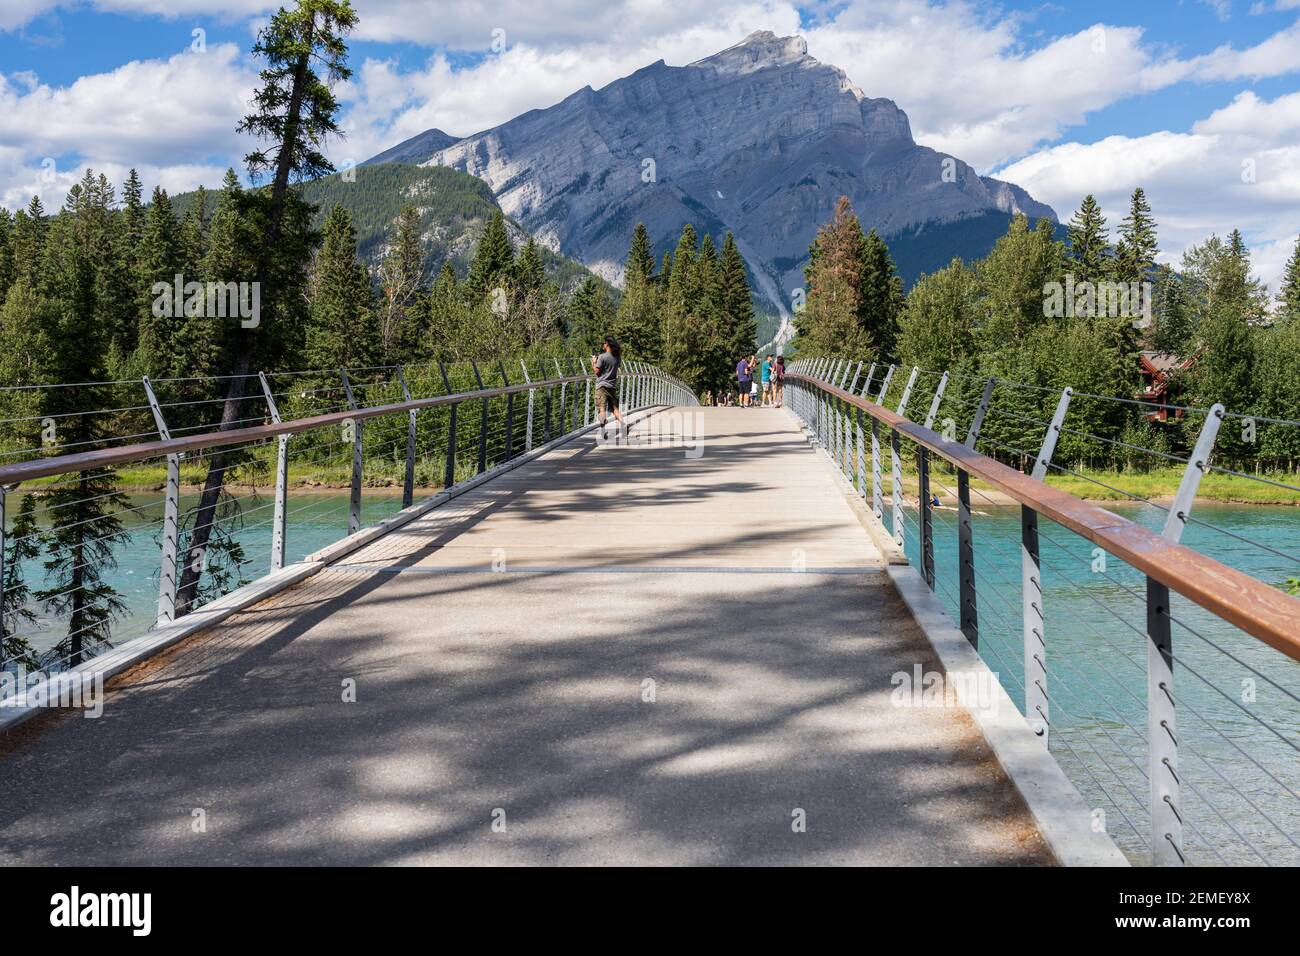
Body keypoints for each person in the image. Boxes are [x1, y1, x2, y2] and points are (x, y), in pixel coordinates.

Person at [592, 335, 624, 441]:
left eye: (604, 343)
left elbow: (597, 372)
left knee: (602, 409)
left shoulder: (602, 357)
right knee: (615, 409)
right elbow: (614, 368)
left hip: (601, 386)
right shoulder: (617, 358)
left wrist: (594, 362)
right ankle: (623, 424)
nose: (603, 345)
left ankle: (602, 432)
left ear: (607, 344)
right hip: (612, 386)